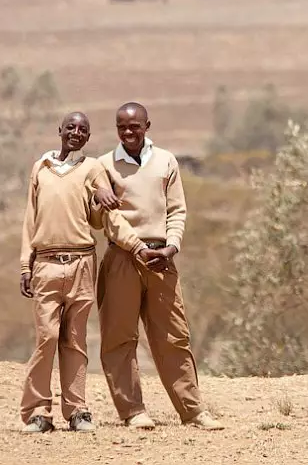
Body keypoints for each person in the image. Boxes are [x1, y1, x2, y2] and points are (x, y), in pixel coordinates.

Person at [93, 102, 223, 431]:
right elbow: (105, 218)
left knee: (174, 337)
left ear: (147, 126)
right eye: (121, 126)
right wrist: (134, 246)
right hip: (123, 256)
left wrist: (172, 246)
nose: (128, 132)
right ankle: (133, 411)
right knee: (120, 338)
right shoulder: (104, 166)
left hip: (161, 258)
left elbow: (177, 210)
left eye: (134, 126)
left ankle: (193, 411)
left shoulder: (166, 161)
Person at [19, 111, 147, 434]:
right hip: (46, 263)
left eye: (83, 130)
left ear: (87, 138)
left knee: (75, 339)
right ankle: (38, 411)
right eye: (71, 127)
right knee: (47, 337)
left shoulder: (91, 167)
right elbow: (30, 218)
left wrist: (101, 195)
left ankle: (77, 410)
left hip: (81, 263)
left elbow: (100, 197)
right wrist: (25, 263)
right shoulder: (41, 168)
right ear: (59, 129)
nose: (76, 132)